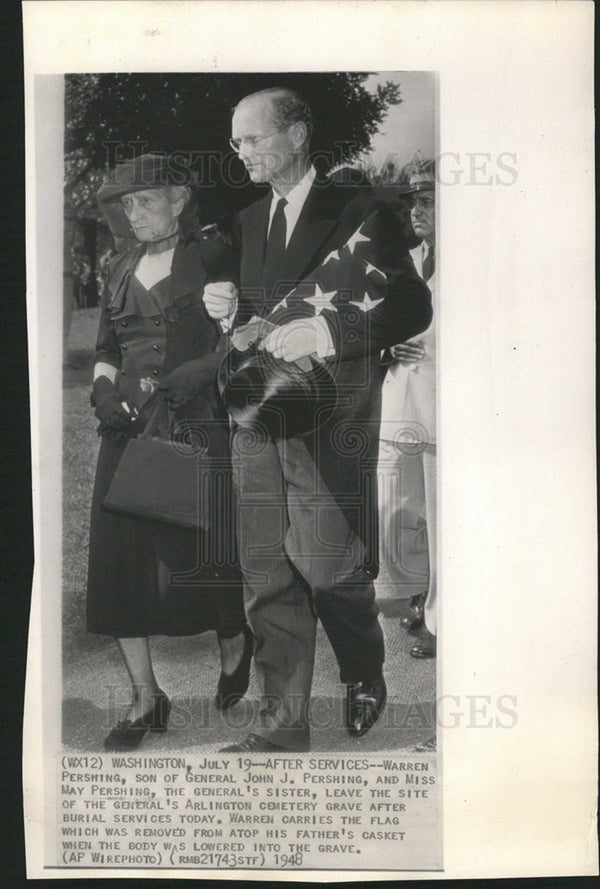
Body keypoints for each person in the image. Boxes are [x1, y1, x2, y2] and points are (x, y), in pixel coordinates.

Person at [202, 88, 432, 752]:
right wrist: (225, 312)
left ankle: (364, 669)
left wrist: (327, 329)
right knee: (267, 572)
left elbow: (411, 306)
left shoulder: (360, 212)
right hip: (257, 420)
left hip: (329, 416)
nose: (238, 150)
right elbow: (252, 327)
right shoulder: (243, 221)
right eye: (235, 140)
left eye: (250, 137)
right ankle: (282, 725)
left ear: (296, 136)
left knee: (330, 569)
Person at [87, 154, 252, 751]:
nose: (134, 214)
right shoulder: (118, 265)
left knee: (207, 548)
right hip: (127, 428)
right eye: (126, 204)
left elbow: (246, 328)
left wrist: (207, 368)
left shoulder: (212, 251)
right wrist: (104, 391)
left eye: (146, 201)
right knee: (118, 561)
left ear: (180, 199)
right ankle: (145, 697)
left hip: (195, 419)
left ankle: (234, 644)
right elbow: (106, 345)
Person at [378, 160, 437, 660]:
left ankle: (441, 615)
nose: (417, 210)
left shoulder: (475, 263)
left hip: (449, 404)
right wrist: (386, 348)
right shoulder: (404, 261)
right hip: (401, 402)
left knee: (444, 512)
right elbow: (376, 320)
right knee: (400, 507)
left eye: (429, 201)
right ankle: (419, 595)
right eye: (414, 202)